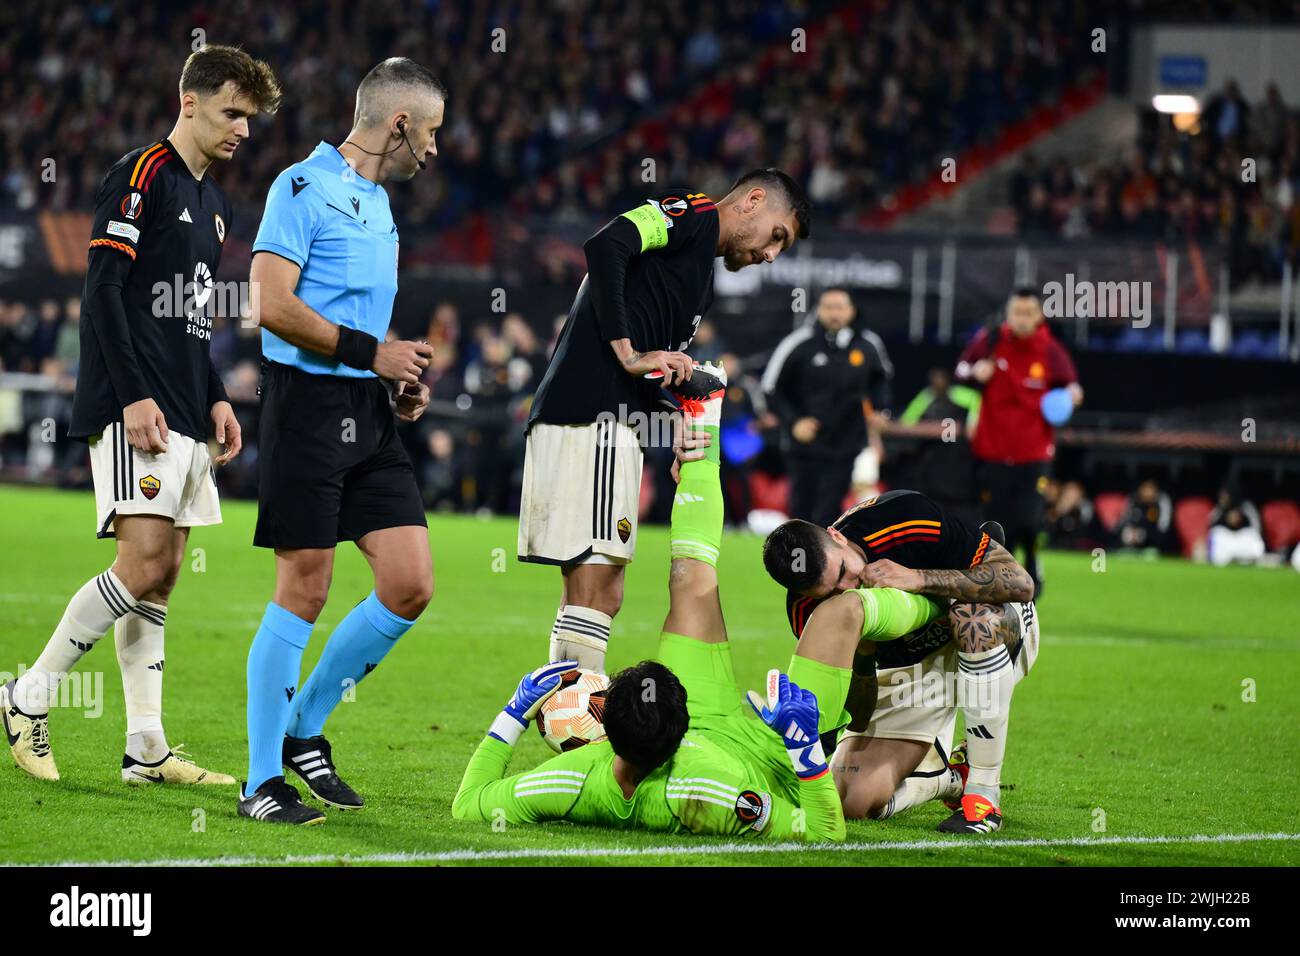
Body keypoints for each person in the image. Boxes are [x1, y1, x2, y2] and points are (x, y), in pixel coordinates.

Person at [454, 367, 934, 839]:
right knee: (841, 610)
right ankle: (938, 601)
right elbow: (825, 832)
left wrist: (516, 712)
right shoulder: (710, 794)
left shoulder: (576, 777)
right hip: (774, 751)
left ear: (607, 739)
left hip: (697, 721)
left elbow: (470, 803)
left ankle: (704, 412)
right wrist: (804, 747)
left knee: (686, 579)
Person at [1, 46, 281, 785]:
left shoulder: (216, 205)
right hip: (140, 405)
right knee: (144, 562)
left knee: (163, 579)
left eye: (249, 119)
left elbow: (190, 318)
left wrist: (217, 392)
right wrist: (131, 396)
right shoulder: (142, 174)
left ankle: (145, 748)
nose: (242, 131)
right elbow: (102, 293)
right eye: (232, 113)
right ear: (188, 101)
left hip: (186, 406)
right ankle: (26, 697)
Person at [240, 58, 444, 825]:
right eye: (430, 132)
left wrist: (394, 376)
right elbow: (269, 303)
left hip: (368, 409)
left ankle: (303, 729)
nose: (433, 148)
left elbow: (353, 317)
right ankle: (261, 781)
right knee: (305, 589)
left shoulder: (379, 202)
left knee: (410, 582)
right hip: (306, 409)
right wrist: (371, 353)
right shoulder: (300, 185)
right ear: (398, 124)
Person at [519, 169, 811, 674]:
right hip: (593, 417)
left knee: (594, 592)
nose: (770, 255)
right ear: (753, 201)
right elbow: (606, 244)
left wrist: (671, 421)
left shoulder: (699, 280)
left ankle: (567, 716)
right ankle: (575, 725)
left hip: (601, 418)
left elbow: (652, 373)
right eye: (777, 236)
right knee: (598, 588)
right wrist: (629, 352)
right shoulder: (692, 215)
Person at [762, 493, 1036, 833]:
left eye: (845, 571)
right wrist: (862, 655)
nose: (849, 589)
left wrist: (918, 578)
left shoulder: (902, 518)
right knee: (852, 799)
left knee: (973, 619)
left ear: (836, 536)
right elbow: (858, 716)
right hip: (911, 668)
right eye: (830, 593)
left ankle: (983, 794)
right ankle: (944, 778)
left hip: (992, 627)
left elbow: (1021, 583)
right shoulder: (810, 615)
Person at [956, 287, 1082, 596]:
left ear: (1038, 315)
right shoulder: (989, 340)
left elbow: (1074, 387)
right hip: (993, 449)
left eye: (1028, 313)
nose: (1022, 319)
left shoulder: (1050, 350)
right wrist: (976, 371)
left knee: (1029, 517)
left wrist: (1071, 396)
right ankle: (1004, 578)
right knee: (999, 523)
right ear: (1008, 314)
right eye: (1017, 312)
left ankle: (1034, 563)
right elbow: (960, 370)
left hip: (1033, 452)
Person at [762, 287, 893, 528]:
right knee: (802, 508)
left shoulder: (867, 344)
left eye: (840, 307)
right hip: (804, 445)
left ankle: (822, 563)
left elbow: (880, 381)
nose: (834, 313)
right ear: (818, 310)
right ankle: (796, 561)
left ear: (852, 310)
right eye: (828, 307)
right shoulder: (799, 343)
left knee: (829, 509)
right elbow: (771, 388)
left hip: (846, 442)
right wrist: (794, 421)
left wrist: (881, 411)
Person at [1207, 487, 1265, 566]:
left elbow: (1256, 529)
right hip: (1227, 540)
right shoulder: (1220, 509)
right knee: (1217, 532)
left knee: (1252, 535)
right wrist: (1226, 520)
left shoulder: (1246, 507)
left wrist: (1240, 521)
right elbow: (1211, 526)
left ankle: (1246, 559)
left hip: (1242, 539)